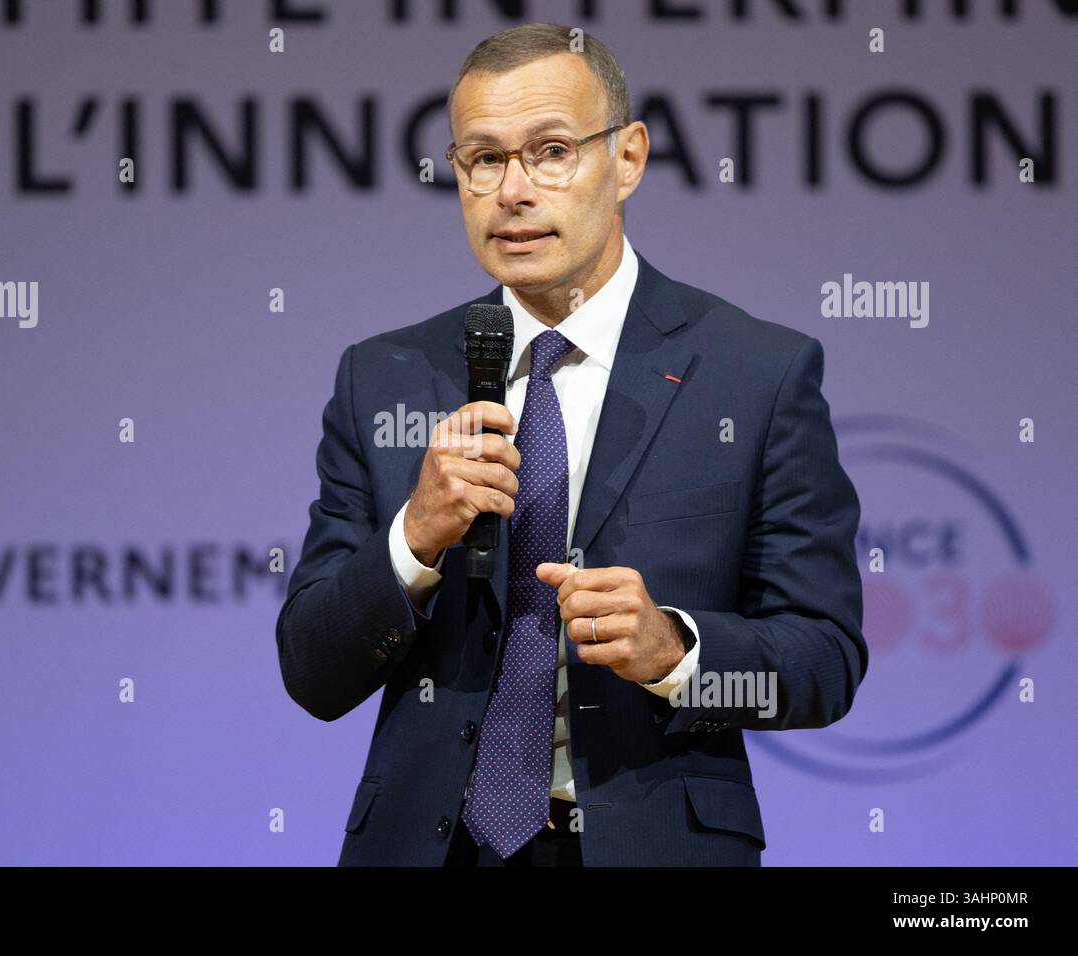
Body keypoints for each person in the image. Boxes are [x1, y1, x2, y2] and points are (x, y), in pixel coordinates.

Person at [275, 23, 866, 867]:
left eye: (551, 151)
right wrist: (413, 537)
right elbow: (312, 671)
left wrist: (677, 650)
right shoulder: (384, 378)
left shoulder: (757, 373)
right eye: (483, 159)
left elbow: (824, 661)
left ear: (628, 158)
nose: (512, 190)